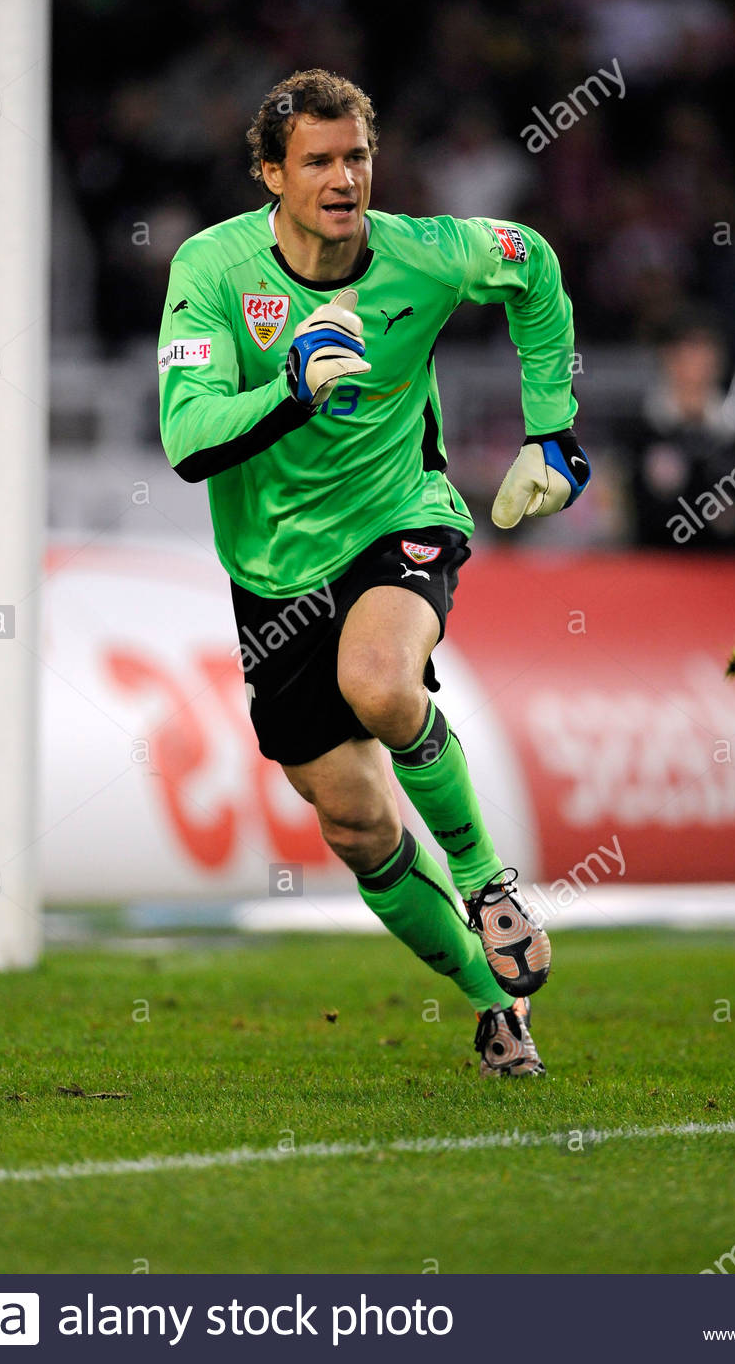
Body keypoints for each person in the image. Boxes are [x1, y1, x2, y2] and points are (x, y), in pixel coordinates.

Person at [158, 69, 590, 1077]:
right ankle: (493, 1002)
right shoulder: (212, 271)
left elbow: (532, 265)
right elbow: (186, 436)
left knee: (380, 681)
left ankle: (487, 881)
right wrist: (291, 386)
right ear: (271, 173)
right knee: (355, 826)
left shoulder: (425, 252)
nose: (344, 178)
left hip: (404, 517)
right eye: (317, 160)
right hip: (273, 576)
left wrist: (554, 431)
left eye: (356, 155)